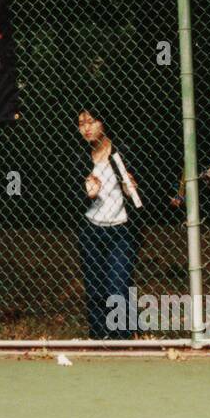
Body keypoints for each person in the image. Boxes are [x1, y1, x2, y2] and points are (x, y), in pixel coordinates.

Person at [76, 108, 140, 340]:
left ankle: (123, 341)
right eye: (81, 123)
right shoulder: (79, 157)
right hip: (91, 230)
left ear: (104, 122)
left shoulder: (124, 152)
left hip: (121, 230)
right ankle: (98, 338)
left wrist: (131, 189)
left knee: (117, 288)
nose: (86, 128)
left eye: (91, 121)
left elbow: (145, 195)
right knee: (95, 291)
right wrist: (87, 194)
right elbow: (67, 201)